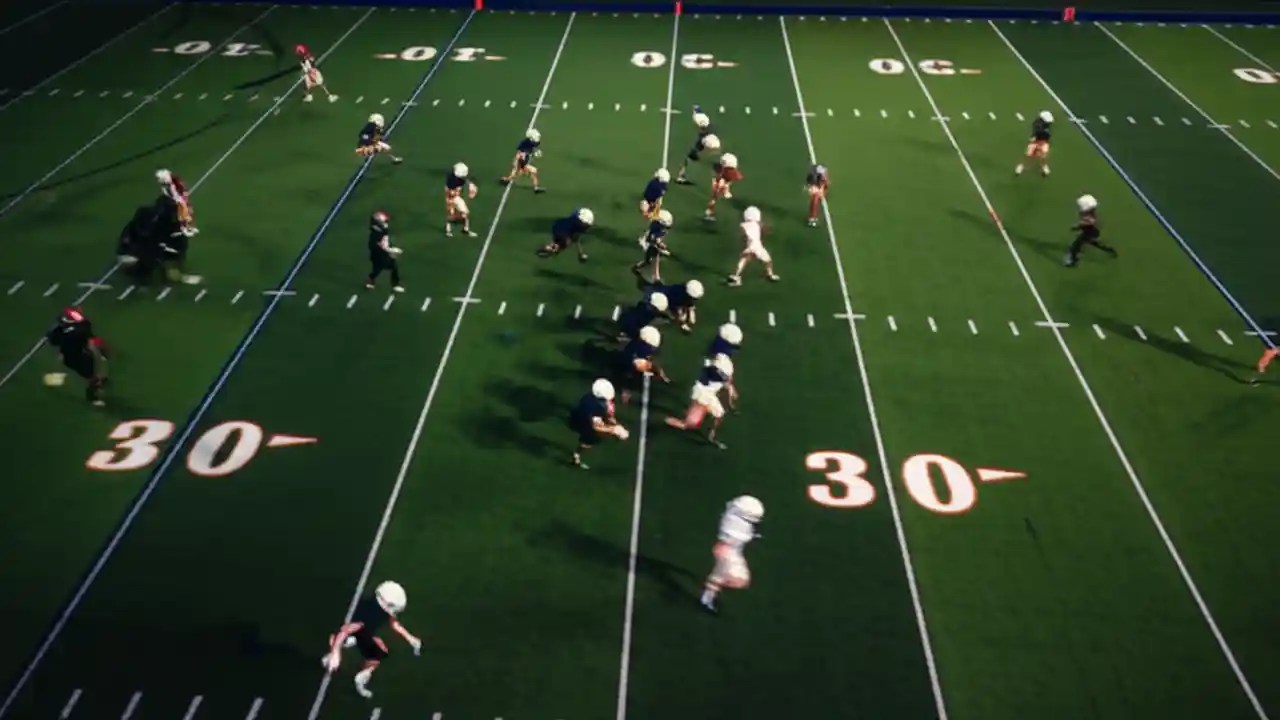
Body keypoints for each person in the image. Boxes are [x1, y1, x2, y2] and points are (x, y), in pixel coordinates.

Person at [322, 581, 422, 699]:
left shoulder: (382, 609)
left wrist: (410, 638)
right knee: (336, 651)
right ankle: (330, 655)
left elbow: (394, 624)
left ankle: (362, 676)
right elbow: (344, 631)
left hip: (359, 632)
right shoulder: (368, 615)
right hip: (346, 635)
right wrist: (335, 653)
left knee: (380, 650)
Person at [700, 496, 764, 614]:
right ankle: (706, 599)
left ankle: (709, 594)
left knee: (722, 576)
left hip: (732, 552)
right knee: (721, 576)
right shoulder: (732, 527)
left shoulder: (734, 520)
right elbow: (729, 541)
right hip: (727, 553)